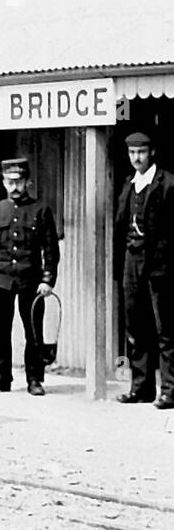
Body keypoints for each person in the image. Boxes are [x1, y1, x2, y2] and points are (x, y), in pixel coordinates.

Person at [0, 157, 59, 396]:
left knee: (33, 330)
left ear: (28, 182)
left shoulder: (41, 210)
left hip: (31, 281)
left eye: (19, 181)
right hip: (0, 279)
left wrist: (47, 280)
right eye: (10, 181)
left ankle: (34, 379)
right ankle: (1, 378)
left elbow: (51, 250)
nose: (14, 186)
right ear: (3, 182)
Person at [114, 132, 174, 408]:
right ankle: (141, 387)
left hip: (160, 266)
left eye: (141, 152)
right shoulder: (128, 185)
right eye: (132, 153)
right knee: (135, 327)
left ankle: (170, 391)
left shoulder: (168, 183)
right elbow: (121, 226)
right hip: (132, 262)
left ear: (152, 153)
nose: (136, 158)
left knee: (166, 329)